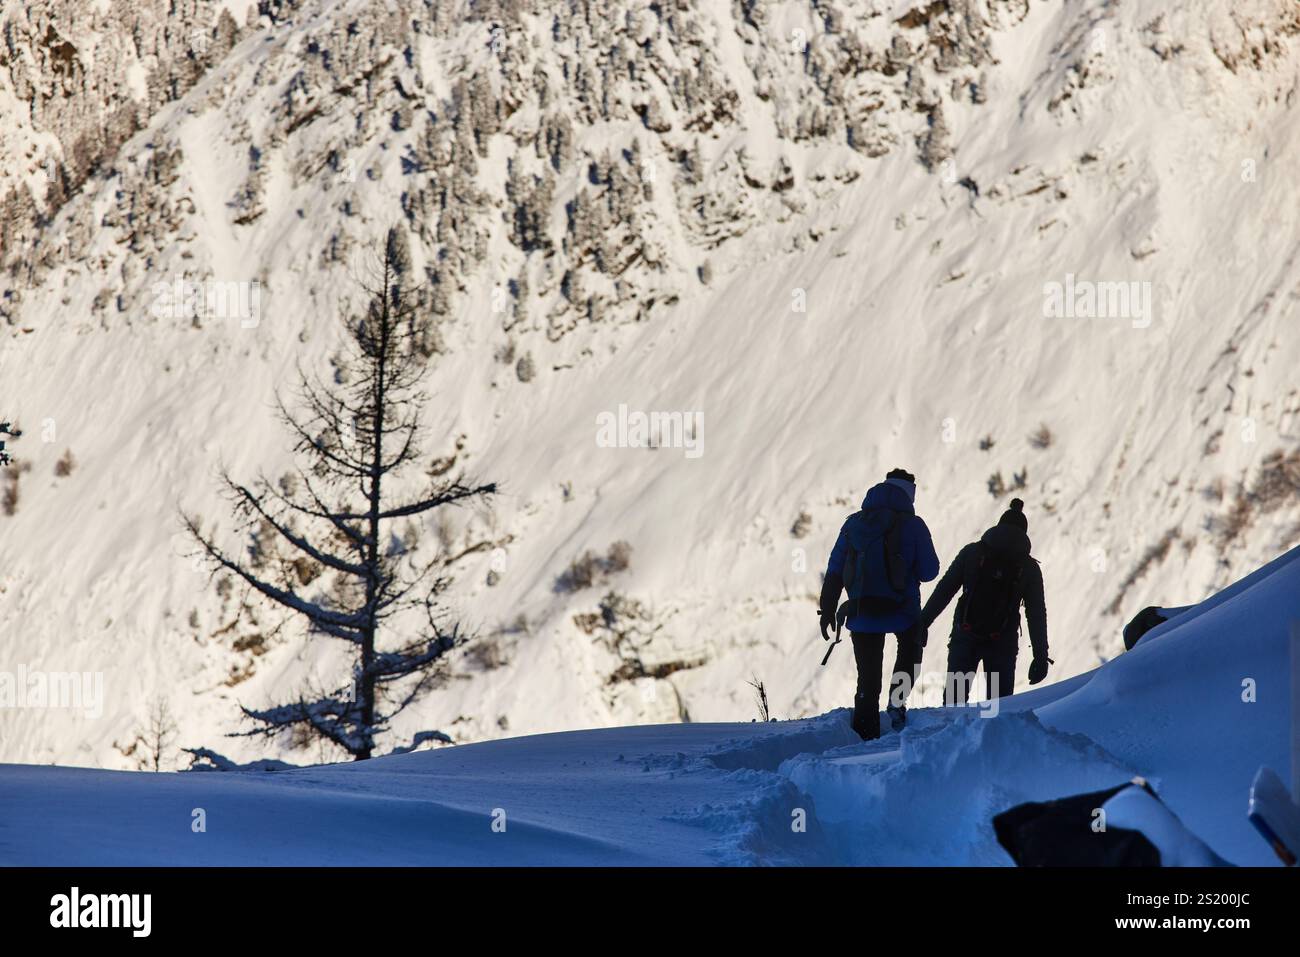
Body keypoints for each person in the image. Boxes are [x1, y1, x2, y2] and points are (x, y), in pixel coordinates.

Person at [819, 468, 940, 740]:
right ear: (909, 494)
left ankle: (864, 732)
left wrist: (827, 608)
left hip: (862, 611)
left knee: (868, 677)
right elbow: (929, 571)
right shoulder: (914, 525)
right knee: (909, 655)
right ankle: (897, 705)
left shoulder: (853, 523)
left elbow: (836, 569)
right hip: (903, 611)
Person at [920, 498, 1049, 704]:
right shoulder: (1029, 568)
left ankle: (949, 736)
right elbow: (1036, 614)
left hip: (965, 634)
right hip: (1002, 642)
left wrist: (923, 622)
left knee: (954, 704)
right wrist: (1040, 656)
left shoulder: (972, 552)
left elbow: (945, 589)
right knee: (998, 709)